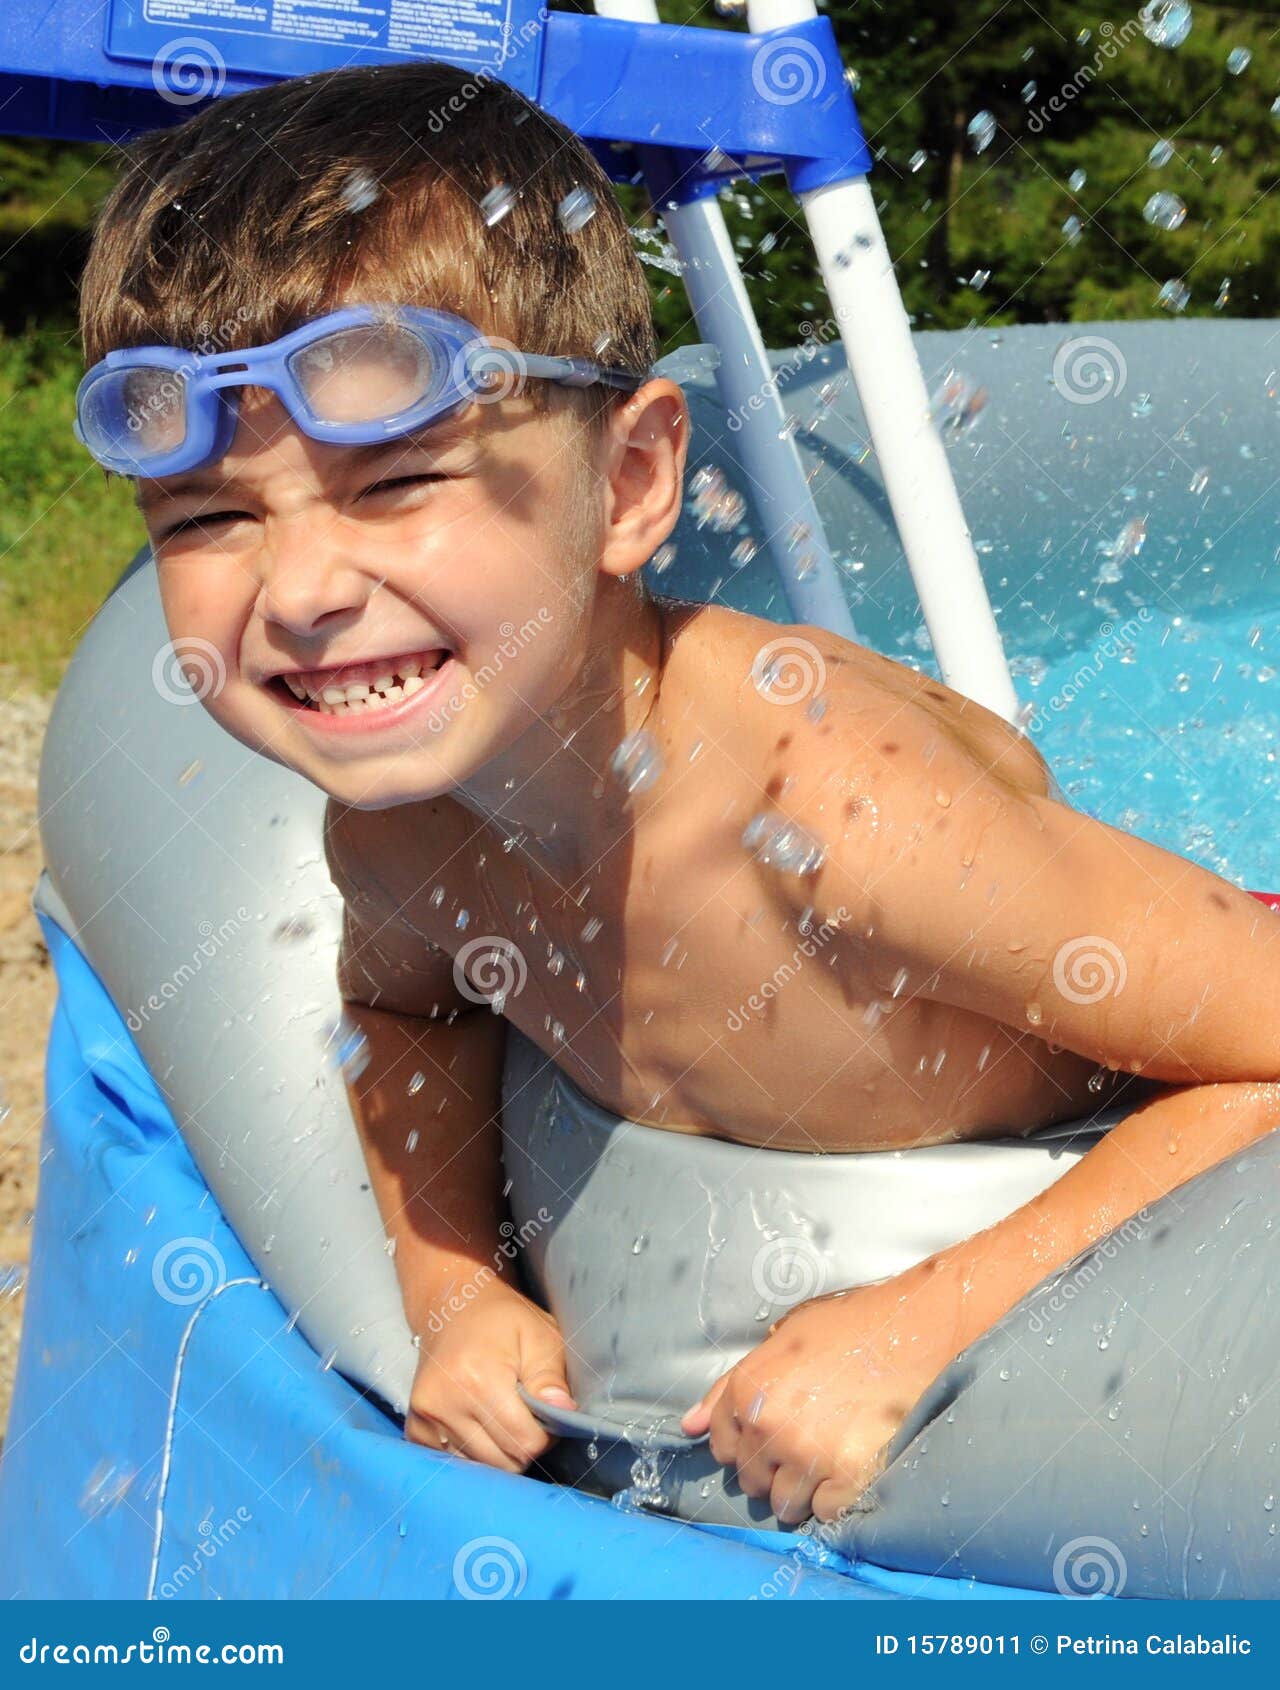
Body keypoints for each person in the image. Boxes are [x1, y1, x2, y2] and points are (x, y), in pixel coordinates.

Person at [74, 59, 1280, 1529]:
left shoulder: (833, 821)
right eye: (209, 517)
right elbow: (404, 1011)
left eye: (395, 485)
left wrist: (935, 1316)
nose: (306, 591)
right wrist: (449, 1284)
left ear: (637, 485)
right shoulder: (396, 828)